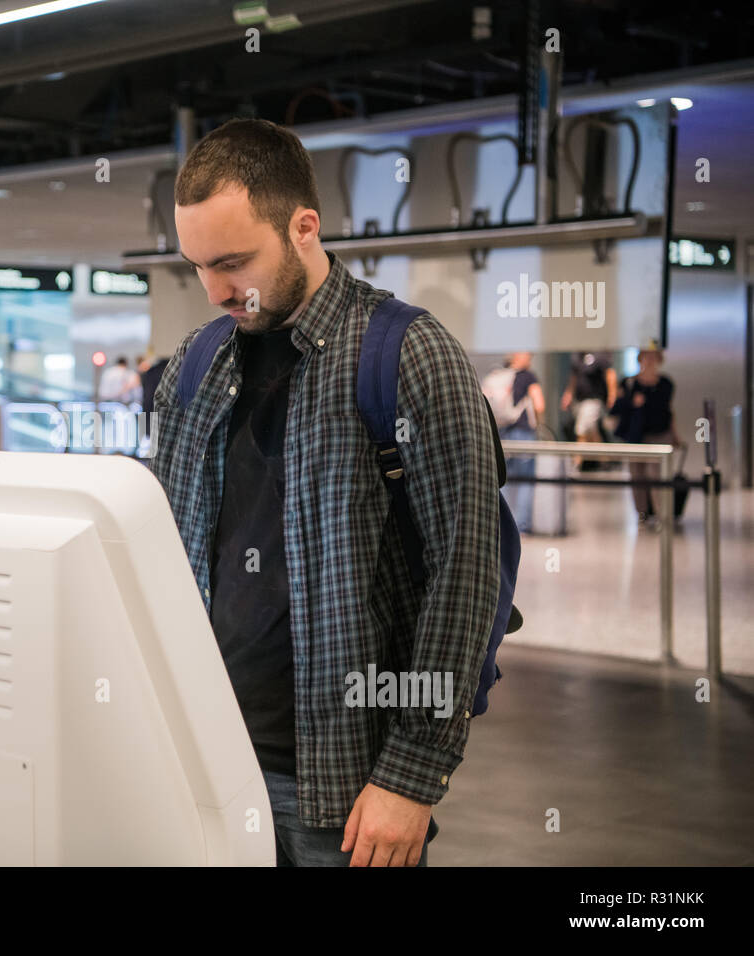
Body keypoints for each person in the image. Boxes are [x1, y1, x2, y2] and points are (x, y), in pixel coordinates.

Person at [153, 118, 501, 866]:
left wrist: (412, 776)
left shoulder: (406, 354)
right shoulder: (194, 366)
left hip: (342, 785)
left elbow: (465, 574)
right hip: (204, 767)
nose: (215, 290)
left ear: (304, 226)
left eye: (234, 262)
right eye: (198, 267)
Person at [610, 338, 680, 529]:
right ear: (640, 359)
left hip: (659, 434)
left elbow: (669, 410)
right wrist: (632, 403)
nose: (649, 361)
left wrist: (675, 435)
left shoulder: (665, 384)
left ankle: (661, 514)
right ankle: (642, 514)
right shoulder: (629, 383)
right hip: (636, 437)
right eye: (645, 357)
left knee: (657, 475)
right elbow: (615, 409)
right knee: (637, 476)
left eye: (653, 357)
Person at [484, 352, 545, 534]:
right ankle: (521, 526)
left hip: (502, 433)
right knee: (526, 480)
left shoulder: (497, 375)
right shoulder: (528, 377)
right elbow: (539, 404)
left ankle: (504, 526)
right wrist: (538, 424)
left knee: (504, 479)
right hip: (524, 432)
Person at [561, 351, 617, 468]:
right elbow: (574, 378)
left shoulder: (600, 356)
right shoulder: (577, 356)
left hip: (593, 400)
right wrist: (568, 395)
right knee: (592, 432)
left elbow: (609, 374)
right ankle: (605, 460)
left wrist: (612, 394)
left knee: (581, 430)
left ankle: (577, 462)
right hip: (579, 401)